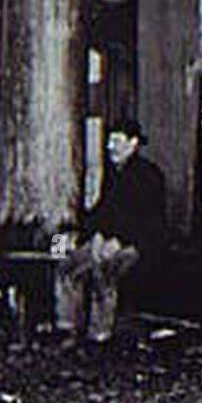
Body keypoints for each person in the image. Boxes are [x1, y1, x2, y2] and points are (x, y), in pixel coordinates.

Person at [72, 121, 166, 342]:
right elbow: (102, 212)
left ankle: (100, 333)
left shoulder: (149, 176)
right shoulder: (113, 175)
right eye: (109, 141)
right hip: (107, 241)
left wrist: (119, 242)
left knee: (105, 269)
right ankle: (68, 328)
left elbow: (148, 223)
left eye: (116, 141)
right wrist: (94, 235)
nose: (109, 147)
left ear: (133, 143)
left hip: (139, 246)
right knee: (69, 265)